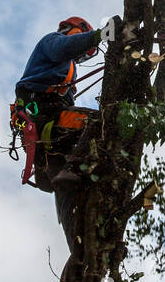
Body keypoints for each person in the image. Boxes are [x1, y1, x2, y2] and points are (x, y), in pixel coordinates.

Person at [14, 15, 102, 193]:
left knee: (72, 170)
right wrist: (98, 36)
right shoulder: (53, 41)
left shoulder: (66, 67)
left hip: (50, 117)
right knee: (98, 122)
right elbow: (64, 48)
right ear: (75, 30)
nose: (82, 55)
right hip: (43, 111)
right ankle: (65, 170)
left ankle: (59, 173)